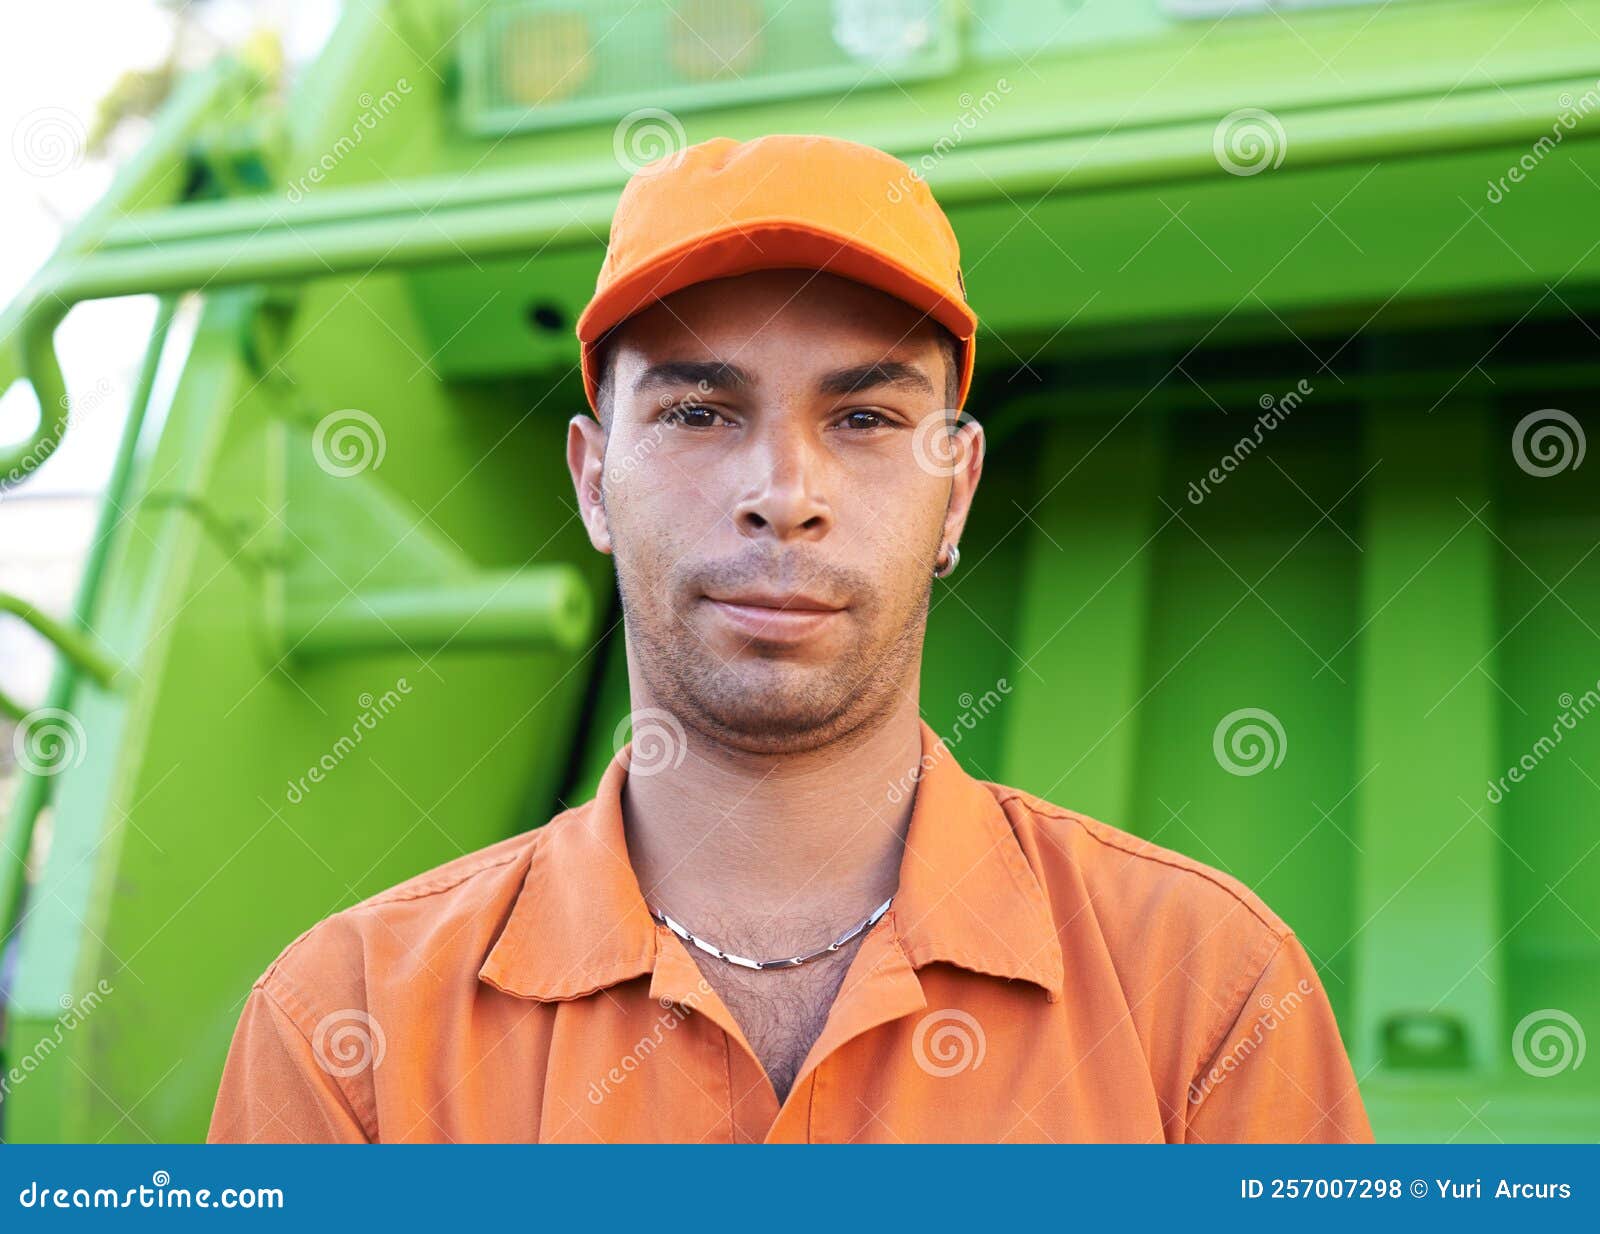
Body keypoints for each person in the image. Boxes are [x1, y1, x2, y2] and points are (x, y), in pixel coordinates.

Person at [208, 133, 1371, 1144]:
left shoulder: (1209, 990)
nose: (784, 492)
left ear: (955, 493)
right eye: (699, 413)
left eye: (863, 417)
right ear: (593, 480)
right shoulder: (341, 1024)